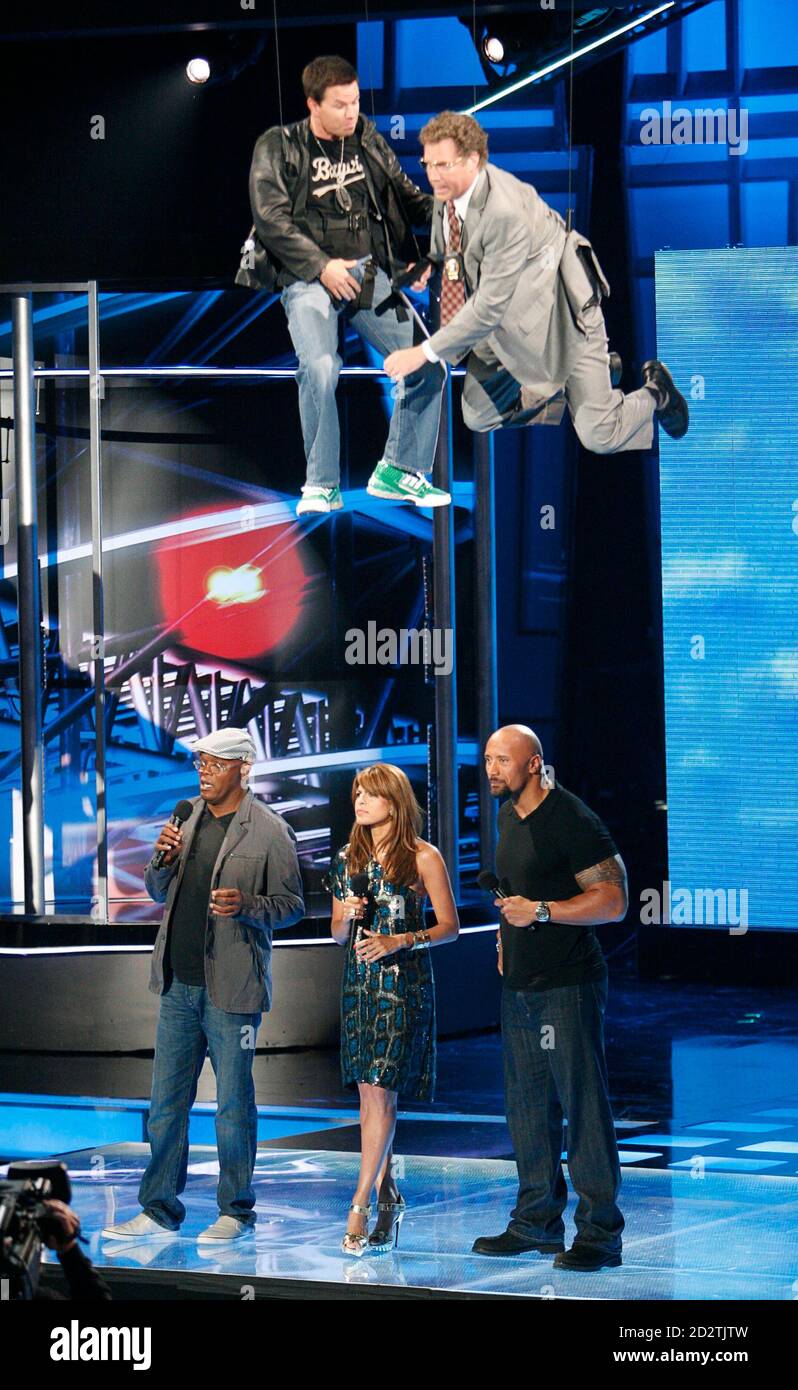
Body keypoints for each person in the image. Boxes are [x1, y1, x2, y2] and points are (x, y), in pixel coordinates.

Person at [102, 727, 304, 1244]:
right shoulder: (185, 818)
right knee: (166, 1104)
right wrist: (161, 860)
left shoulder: (268, 830)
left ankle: (235, 1210)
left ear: (242, 767)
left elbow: (291, 907)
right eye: (200, 764)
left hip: (232, 991)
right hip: (177, 983)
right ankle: (159, 1209)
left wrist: (249, 907)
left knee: (233, 1105)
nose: (204, 773)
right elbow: (154, 888)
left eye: (215, 764)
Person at [383, 111, 689, 451]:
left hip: (561, 318)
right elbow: (451, 248)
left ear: (473, 160)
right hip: (511, 329)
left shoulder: (505, 211)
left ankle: (656, 392)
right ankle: (559, 384)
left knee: (600, 435)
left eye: (444, 165)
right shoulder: (447, 195)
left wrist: (423, 353)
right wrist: (429, 264)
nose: (433, 175)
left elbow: (488, 308)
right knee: (478, 414)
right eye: (428, 164)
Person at [239, 54, 449, 515]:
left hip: (368, 275)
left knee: (428, 365)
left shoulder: (366, 139)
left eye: (355, 102)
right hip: (308, 278)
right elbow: (270, 218)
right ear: (313, 104)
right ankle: (320, 484)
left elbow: (409, 199)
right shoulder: (279, 145)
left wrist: (459, 218)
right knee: (319, 365)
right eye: (340, 105)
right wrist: (320, 266)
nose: (352, 112)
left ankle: (400, 470)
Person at [474, 724, 627, 1272]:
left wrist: (541, 911)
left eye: (502, 761)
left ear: (533, 764)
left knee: (582, 1107)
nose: (491, 769)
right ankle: (536, 1223)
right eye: (488, 759)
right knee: (528, 1110)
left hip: (569, 981)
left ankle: (599, 1234)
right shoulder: (506, 814)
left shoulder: (570, 817)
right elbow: (515, 889)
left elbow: (613, 900)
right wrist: (503, 933)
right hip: (520, 984)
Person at [329, 762, 459, 1255]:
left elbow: (450, 927)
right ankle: (387, 1195)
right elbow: (339, 933)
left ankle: (360, 1202)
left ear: (395, 801)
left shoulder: (422, 857)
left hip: (402, 985)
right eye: (357, 792)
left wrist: (402, 938)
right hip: (359, 983)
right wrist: (351, 915)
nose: (360, 801)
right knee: (369, 1096)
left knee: (382, 1088)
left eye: (371, 794)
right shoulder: (347, 859)